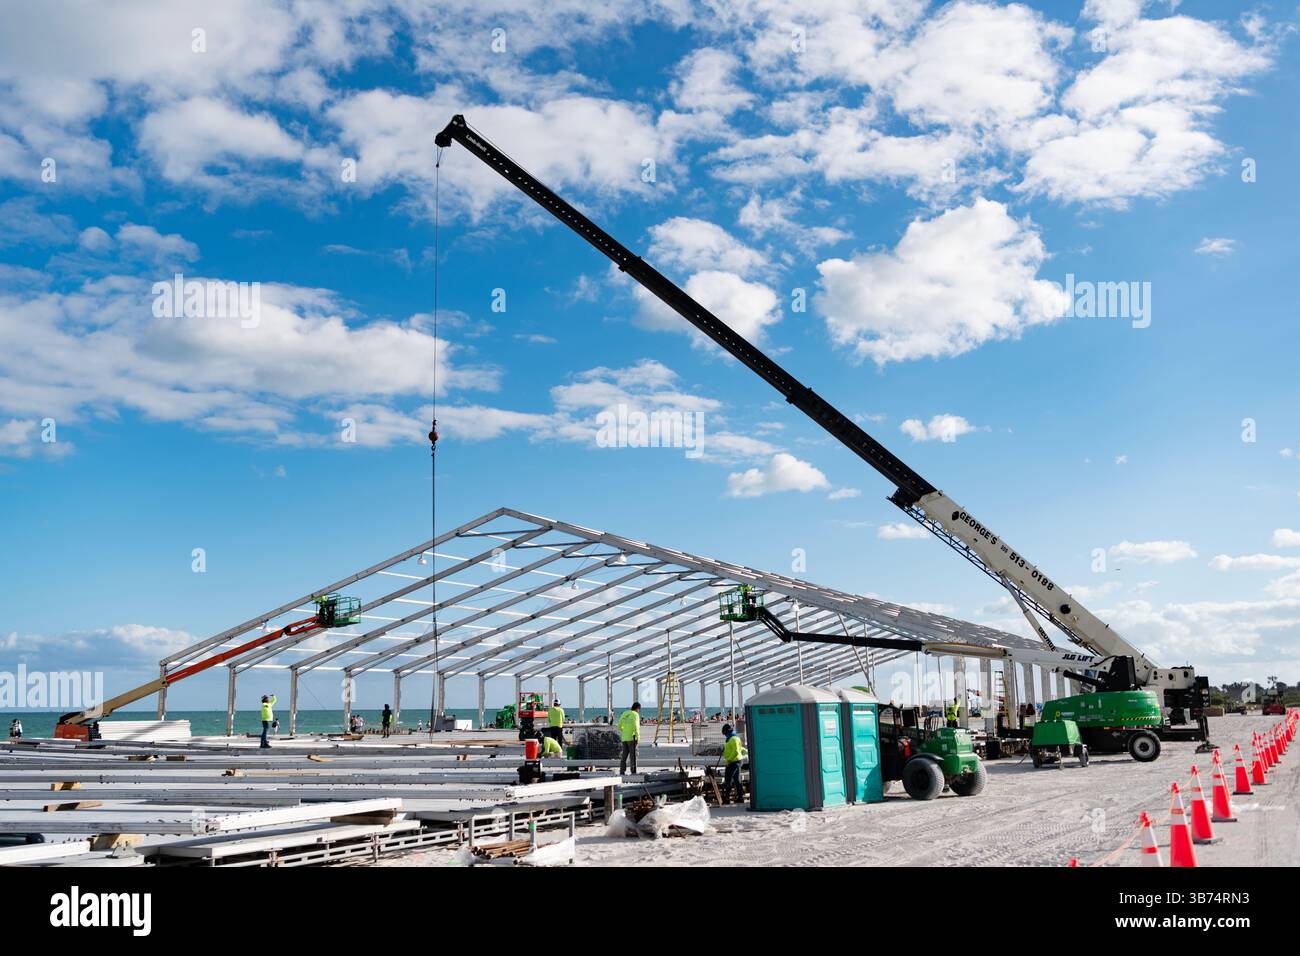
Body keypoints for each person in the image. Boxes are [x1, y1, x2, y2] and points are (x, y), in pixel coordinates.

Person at [721, 723, 747, 804]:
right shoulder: (733, 738)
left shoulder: (733, 739)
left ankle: (727, 799)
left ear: (726, 732)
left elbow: (735, 752)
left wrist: (729, 760)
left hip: (733, 762)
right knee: (736, 780)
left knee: (728, 780)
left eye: (724, 733)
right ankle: (740, 798)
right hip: (736, 761)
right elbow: (740, 749)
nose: (724, 734)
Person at [618, 702, 641, 775]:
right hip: (632, 737)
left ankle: (622, 771)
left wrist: (624, 731)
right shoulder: (635, 714)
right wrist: (638, 737)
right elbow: (636, 727)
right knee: (633, 755)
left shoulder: (625, 713)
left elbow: (619, 725)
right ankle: (633, 771)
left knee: (624, 756)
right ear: (637, 708)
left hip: (624, 738)